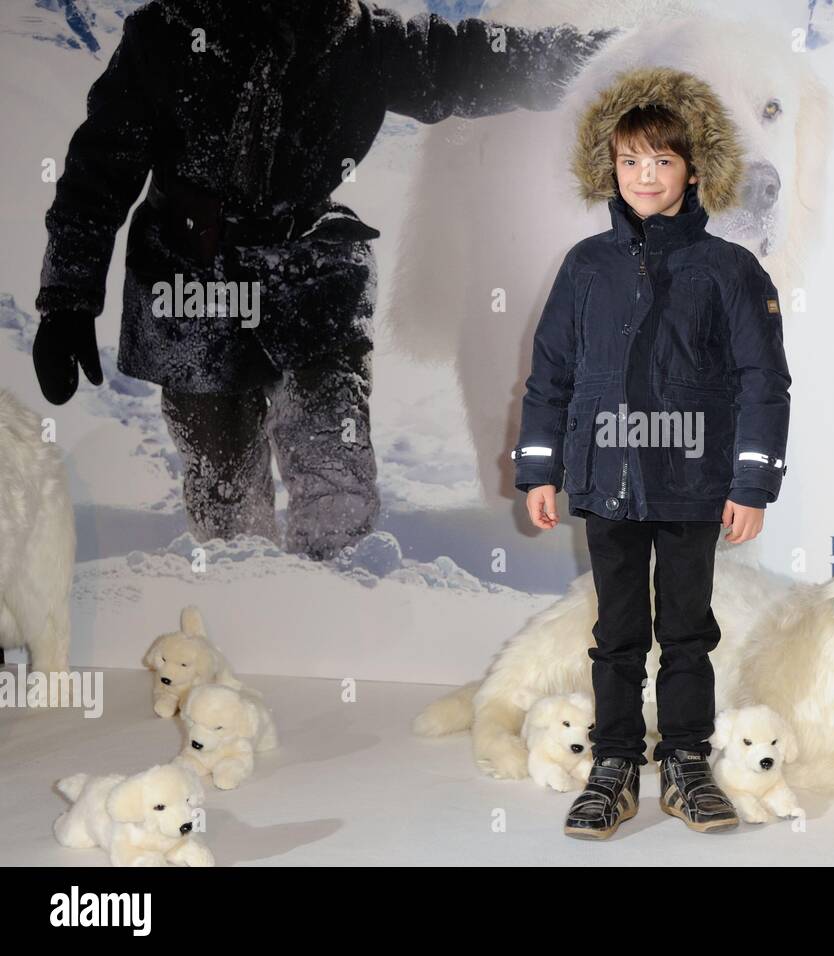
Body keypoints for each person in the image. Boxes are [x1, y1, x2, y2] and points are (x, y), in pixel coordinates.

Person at [33, 0, 611, 559]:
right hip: (192, 280)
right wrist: (66, 300)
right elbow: (97, 175)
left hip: (313, 281)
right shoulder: (166, 31)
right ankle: (245, 605)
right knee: (225, 490)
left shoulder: (361, 36)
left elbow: (472, 59)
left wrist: (605, 59)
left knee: (336, 476)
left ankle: (333, 594)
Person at [512, 67, 793, 839]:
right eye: (631, 161)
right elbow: (551, 376)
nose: (645, 176)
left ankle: (687, 763)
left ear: (692, 171)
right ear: (613, 168)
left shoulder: (729, 270)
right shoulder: (586, 267)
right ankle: (612, 766)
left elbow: (763, 383)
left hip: (693, 484)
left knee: (687, 629)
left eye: (662, 161)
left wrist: (752, 482)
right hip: (607, 483)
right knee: (617, 633)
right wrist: (539, 469)